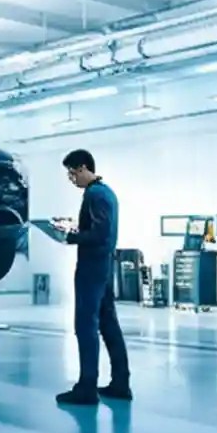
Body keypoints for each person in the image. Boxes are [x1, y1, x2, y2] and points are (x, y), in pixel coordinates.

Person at [52, 149, 131, 405]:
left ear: (84, 168)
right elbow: (100, 229)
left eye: (73, 174)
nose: (72, 179)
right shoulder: (105, 192)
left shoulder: (96, 194)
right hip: (103, 266)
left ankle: (86, 387)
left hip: (91, 268)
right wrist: (75, 226)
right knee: (108, 325)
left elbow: (100, 234)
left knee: (85, 326)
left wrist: (70, 236)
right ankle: (120, 383)